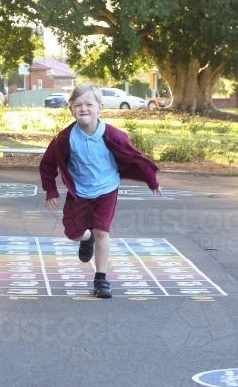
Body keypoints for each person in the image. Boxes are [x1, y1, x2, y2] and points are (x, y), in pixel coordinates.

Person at [40, 83, 161, 298]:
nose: (83, 109)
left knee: (102, 231)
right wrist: (51, 190)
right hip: (80, 192)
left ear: (100, 108)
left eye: (89, 104)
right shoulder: (65, 138)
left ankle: (101, 279)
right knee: (73, 232)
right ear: (71, 109)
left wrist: (151, 180)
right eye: (78, 105)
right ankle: (87, 240)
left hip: (106, 190)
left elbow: (135, 157)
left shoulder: (113, 135)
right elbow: (47, 164)